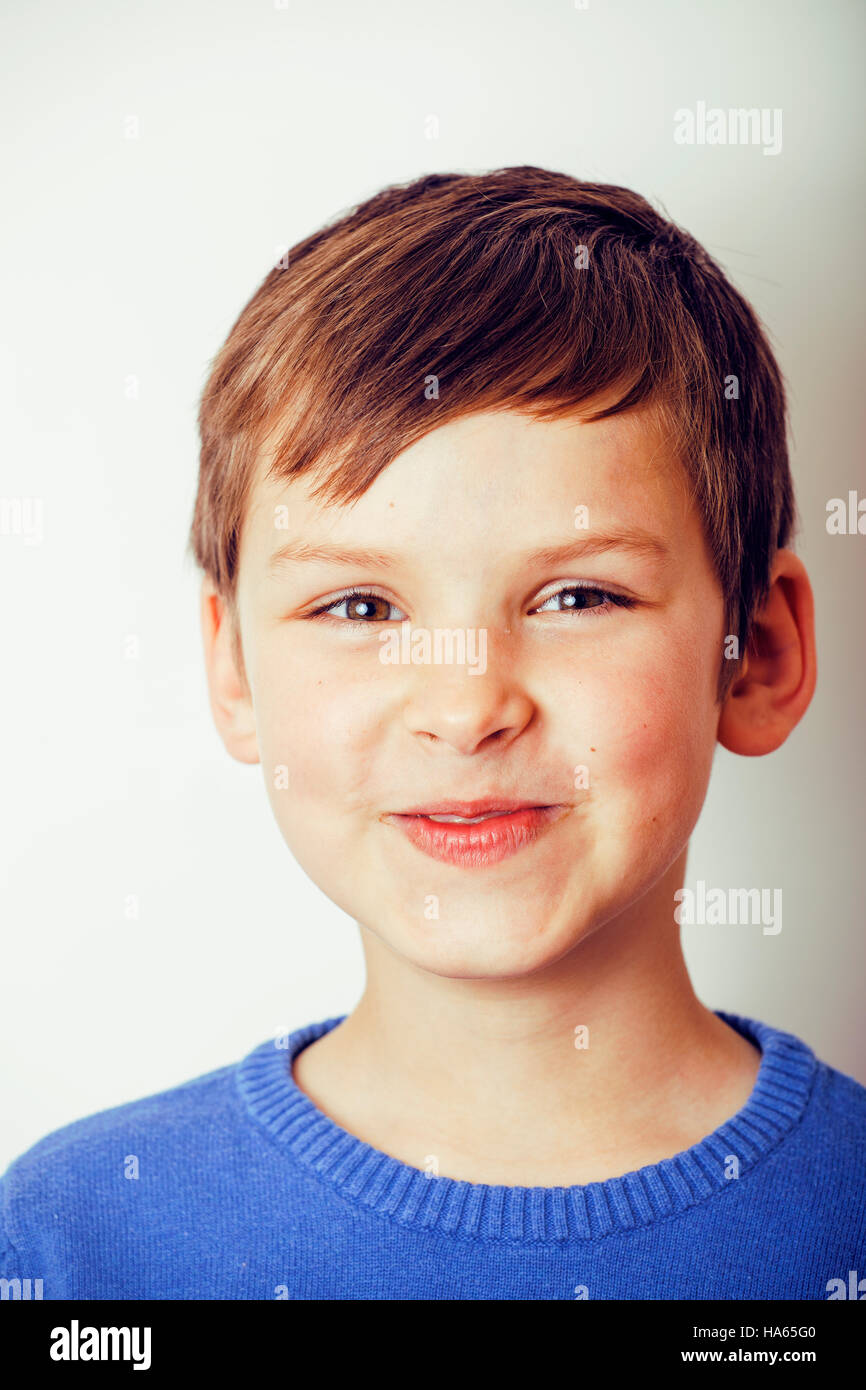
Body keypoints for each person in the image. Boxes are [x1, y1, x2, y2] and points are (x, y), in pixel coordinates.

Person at [2, 167, 864, 1300]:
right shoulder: (73, 1245)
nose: (464, 707)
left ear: (753, 654)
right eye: (361, 608)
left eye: (578, 597)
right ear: (234, 668)